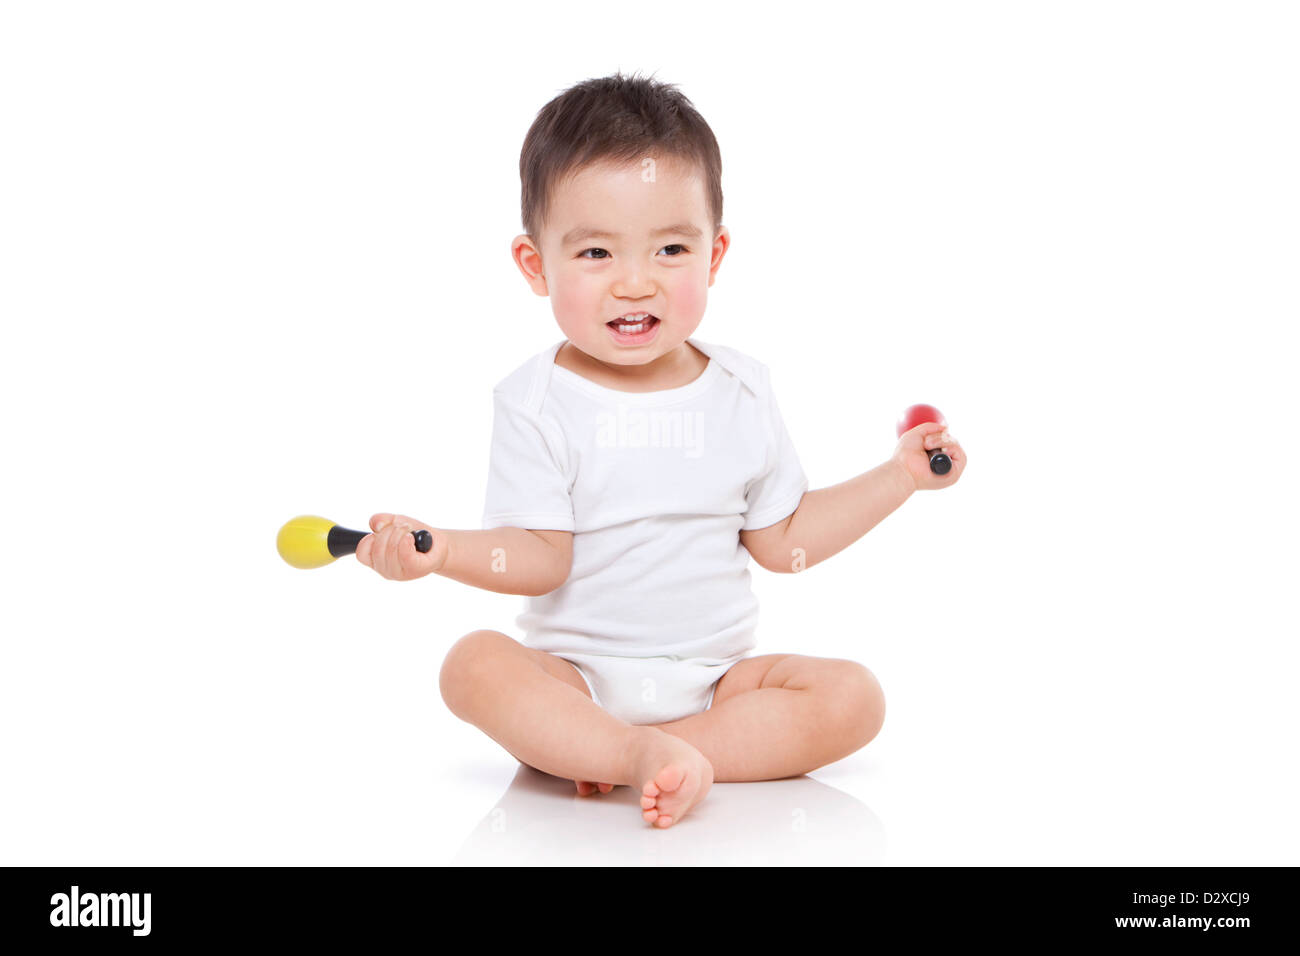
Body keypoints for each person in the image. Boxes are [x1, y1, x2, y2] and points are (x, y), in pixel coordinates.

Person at [357, 72, 966, 828]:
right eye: (596, 255)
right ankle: (614, 745)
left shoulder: (743, 389)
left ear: (714, 256)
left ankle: (630, 751)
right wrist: (438, 549)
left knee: (855, 697)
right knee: (472, 666)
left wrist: (900, 477)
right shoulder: (534, 400)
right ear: (535, 266)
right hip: (572, 679)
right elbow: (540, 557)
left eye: (671, 248)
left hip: (716, 685)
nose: (635, 283)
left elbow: (784, 542)